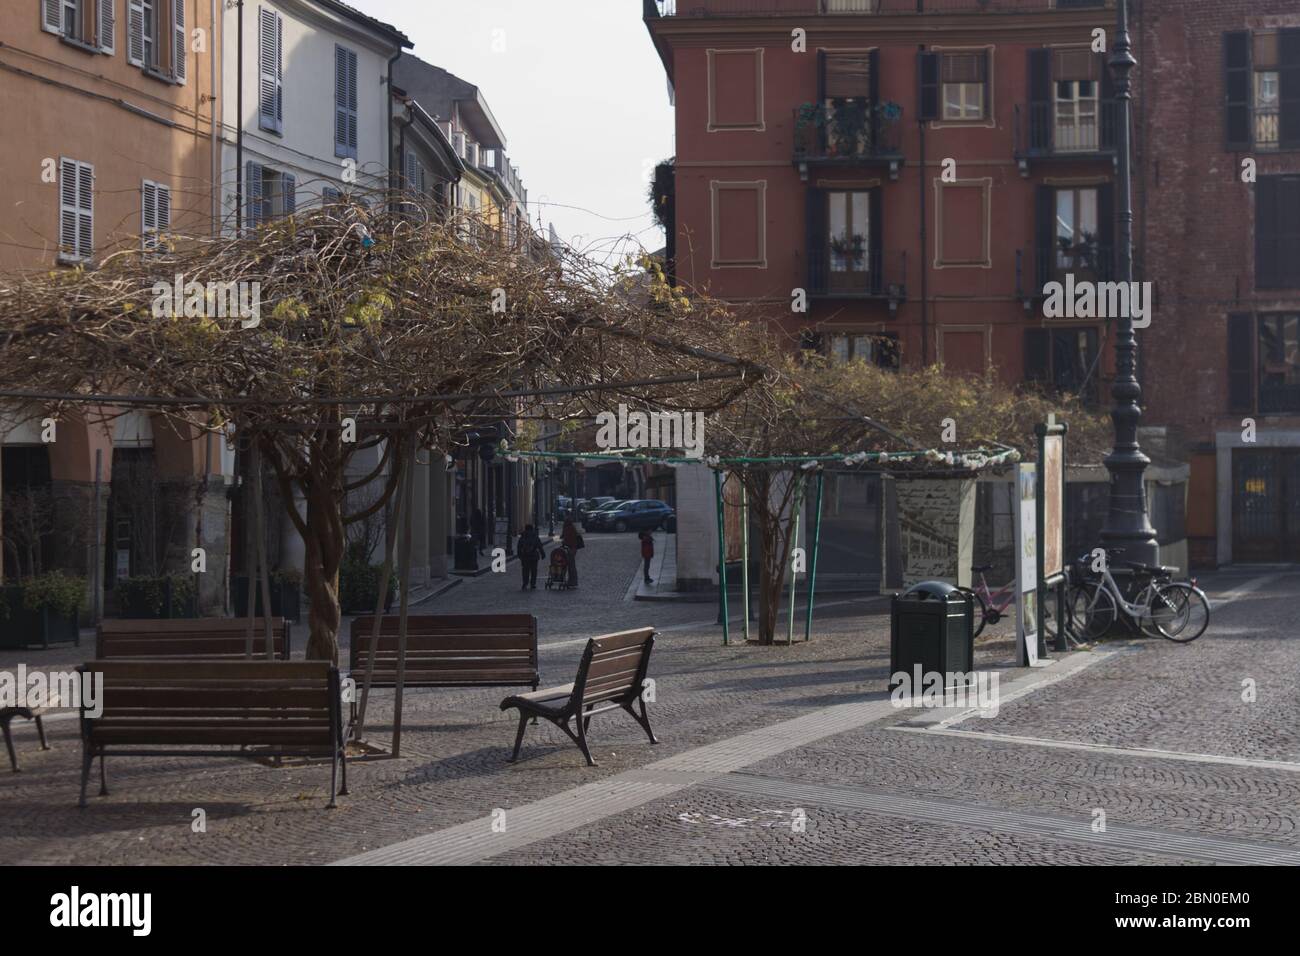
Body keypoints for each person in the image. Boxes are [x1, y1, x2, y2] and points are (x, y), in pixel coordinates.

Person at [517, 524, 544, 590]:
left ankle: (525, 583)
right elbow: (539, 546)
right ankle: (533, 584)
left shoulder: (523, 536)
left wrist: (520, 555)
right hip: (534, 556)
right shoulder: (535, 536)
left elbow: (519, 547)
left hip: (525, 556)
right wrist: (543, 554)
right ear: (532, 529)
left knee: (525, 570)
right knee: (534, 571)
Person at [561, 518, 581, 588]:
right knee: (571, 565)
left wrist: (563, 541)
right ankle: (572, 581)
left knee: (570, 566)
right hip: (572, 548)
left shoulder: (568, 529)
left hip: (570, 548)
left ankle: (572, 581)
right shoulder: (572, 528)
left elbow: (566, 539)